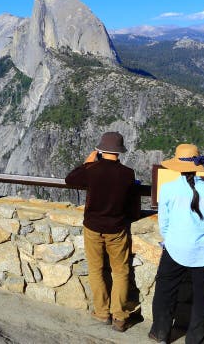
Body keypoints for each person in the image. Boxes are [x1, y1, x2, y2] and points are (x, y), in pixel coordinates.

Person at [149, 144, 204, 344]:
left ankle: (160, 332)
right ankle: (195, 338)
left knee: (165, 291)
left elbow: (164, 223)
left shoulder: (168, 189)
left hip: (175, 248)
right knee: (202, 297)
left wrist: (170, 241)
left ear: (177, 165)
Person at [65, 131, 140, 332]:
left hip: (93, 227)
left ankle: (101, 312)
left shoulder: (92, 170)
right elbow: (131, 201)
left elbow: (70, 179)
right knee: (121, 271)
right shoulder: (128, 173)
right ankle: (120, 317)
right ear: (119, 151)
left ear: (100, 149)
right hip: (117, 229)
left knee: (96, 269)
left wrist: (87, 163)